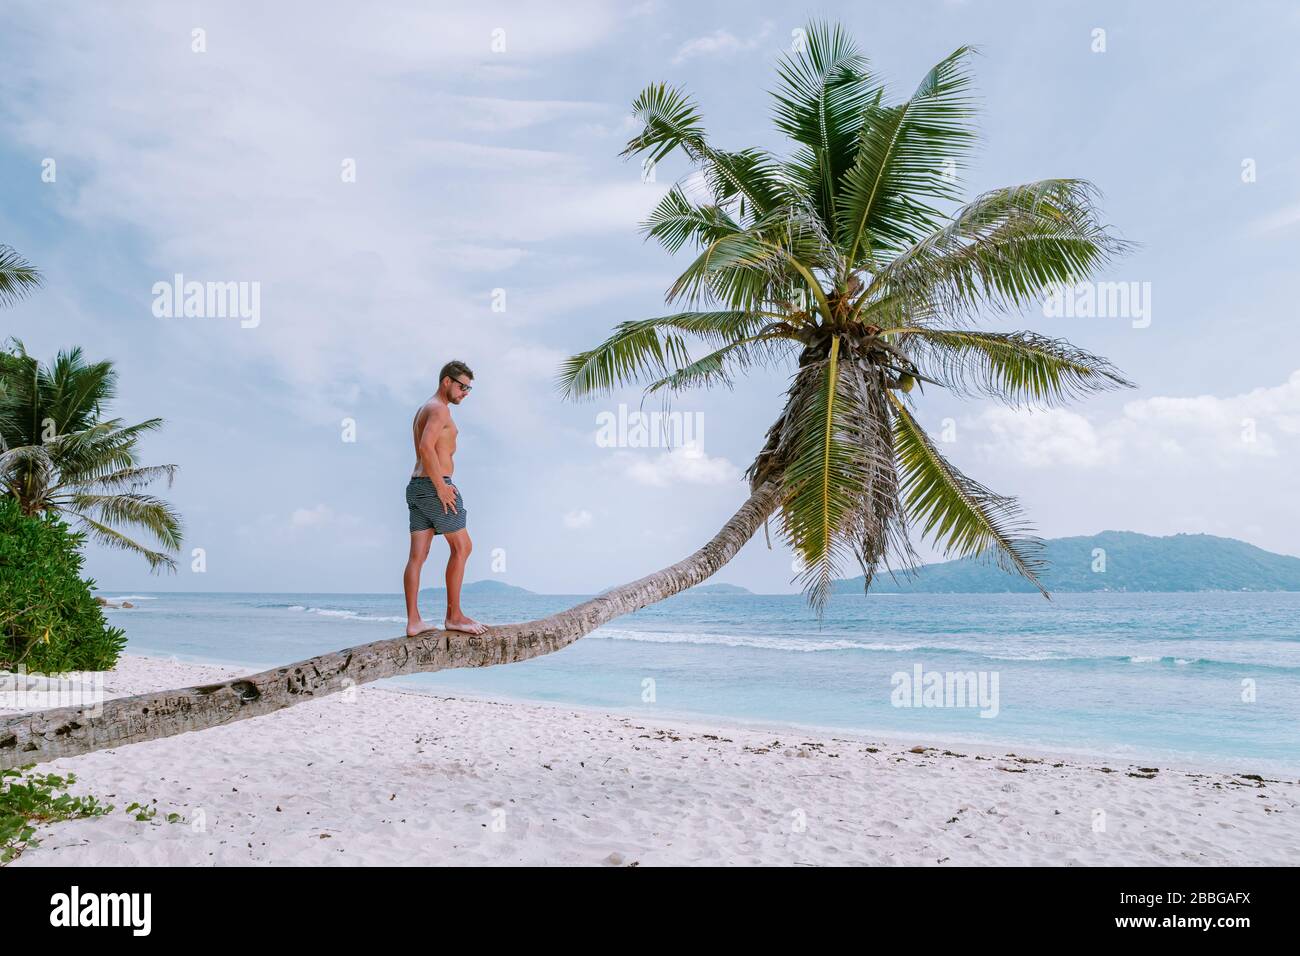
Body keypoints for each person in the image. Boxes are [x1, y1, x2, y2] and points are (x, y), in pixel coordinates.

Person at [403, 360, 487, 637]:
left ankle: (414, 621)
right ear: (447, 382)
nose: (465, 392)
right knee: (463, 548)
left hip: (417, 487)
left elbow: (425, 447)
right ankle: (454, 616)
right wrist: (441, 486)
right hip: (434, 485)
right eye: (462, 386)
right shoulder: (439, 409)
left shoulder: (424, 408)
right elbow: (427, 447)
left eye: (469, 388)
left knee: (418, 556)